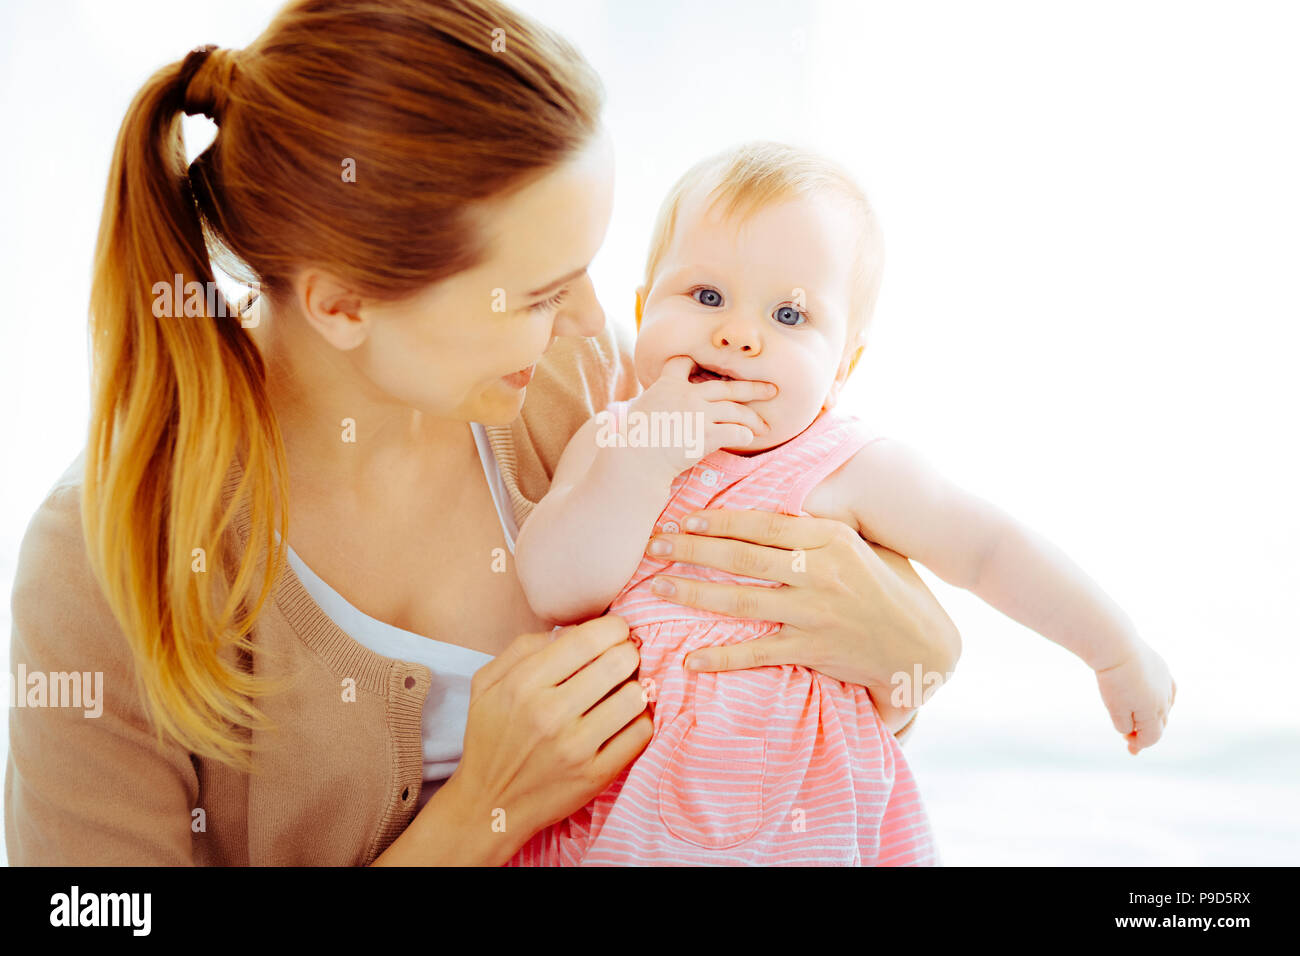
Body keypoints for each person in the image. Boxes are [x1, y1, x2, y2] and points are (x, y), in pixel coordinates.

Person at [5, 0, 959, 866]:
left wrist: (913, 655)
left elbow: (797, 700)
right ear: (344, 306)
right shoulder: (99, 563)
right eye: (536, 294)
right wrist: (480, 815)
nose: (591, 319)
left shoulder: (581, 378)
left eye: (581, 272)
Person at [507, 142, 1177, 866]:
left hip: (803, 823)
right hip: (618, 820)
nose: (738, 333)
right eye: (706, 297)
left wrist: (1114, 650)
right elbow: (553, 587)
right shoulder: (613, 440)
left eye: (789, 316)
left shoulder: (846, 467)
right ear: (643, 310)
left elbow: (990, 551)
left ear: (842, 369)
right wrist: (643, 457)